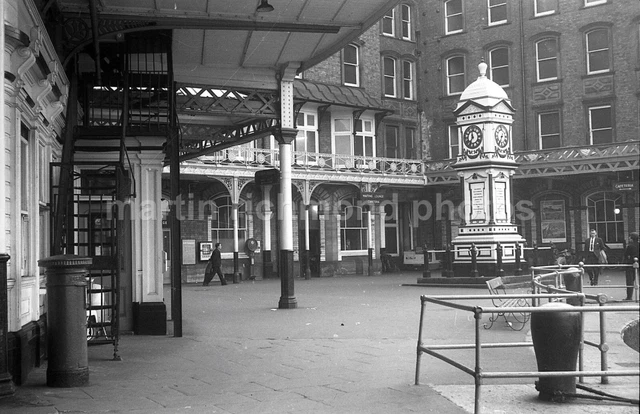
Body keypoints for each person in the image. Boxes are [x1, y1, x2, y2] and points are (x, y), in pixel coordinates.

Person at [623, 232, 639, 301]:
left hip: (630, 266)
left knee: (630, 281)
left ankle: (629, 297)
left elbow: (626, 255)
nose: (629, 238)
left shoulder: (630, 246)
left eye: (629, 237)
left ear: (632, 238)